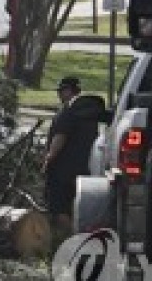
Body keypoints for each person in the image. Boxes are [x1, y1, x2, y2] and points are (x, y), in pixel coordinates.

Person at [41, 77, 103, 237]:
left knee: (60, 207)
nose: (59, 94)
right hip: (85, 168)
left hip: (62, 170)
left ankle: (67, 238)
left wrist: (48, 159)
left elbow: (60, 138)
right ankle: (79, 236)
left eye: (61, 91)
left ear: (69, 91)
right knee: (77, 206)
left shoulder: (68, 111)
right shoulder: (89, 113)